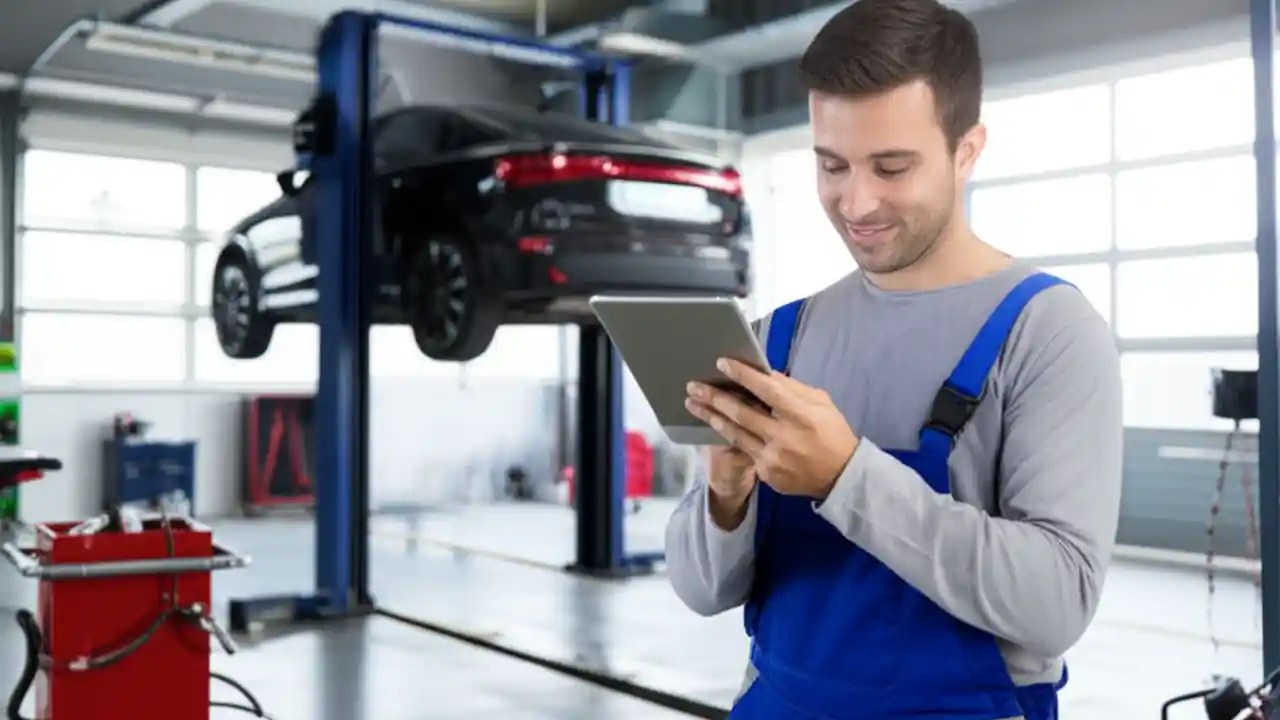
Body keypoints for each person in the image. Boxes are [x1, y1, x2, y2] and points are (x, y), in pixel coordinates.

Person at [663, 1, 1124, 719]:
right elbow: (701, 591)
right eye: (832, 165)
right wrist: (726, 495)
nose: (857, 202)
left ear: (966, 151)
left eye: (892, 166)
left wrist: (845, 476)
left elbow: (1057, 604)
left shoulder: (1048, 333)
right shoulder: (775, 340)